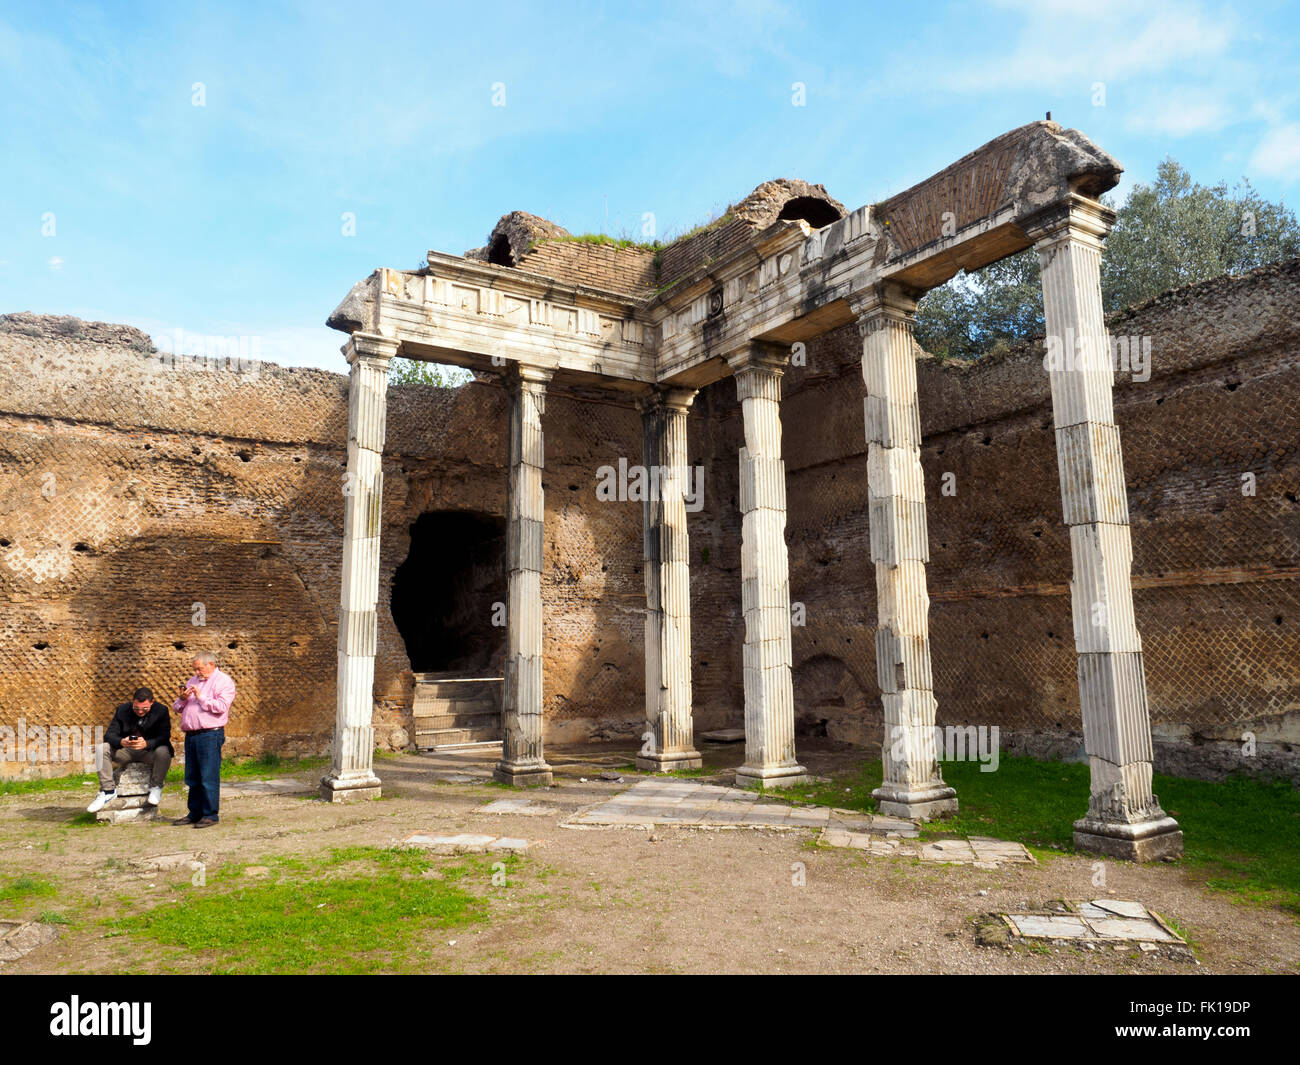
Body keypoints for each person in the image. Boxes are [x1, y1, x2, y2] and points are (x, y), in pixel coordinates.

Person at [171, 651, 235, 828]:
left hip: (210, 734)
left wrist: (200, 698)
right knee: (192, 777)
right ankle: (195, 813)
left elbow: (221, 707)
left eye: (199, 669)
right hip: (191, 735)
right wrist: (183, 699)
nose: (197, 672)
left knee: (208, 776)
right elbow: (177, 707)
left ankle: (210, 815)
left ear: (211, 665)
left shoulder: (223, 682)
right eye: (195, 669)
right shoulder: (193, 681)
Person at [87, 688, 174, 813]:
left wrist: (147, 743)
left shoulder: (161, 711)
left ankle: (156, 786)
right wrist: (122, 741)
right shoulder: (122, 710)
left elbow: (164, 736)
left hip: (148, 752)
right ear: (132, 702)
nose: (139, 711)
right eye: (136, 708)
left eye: (144, 708)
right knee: (102, 748)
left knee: (164, 751)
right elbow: (109, 735)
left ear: (152, 702)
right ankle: (108, 791)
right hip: (125, 751)